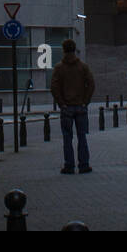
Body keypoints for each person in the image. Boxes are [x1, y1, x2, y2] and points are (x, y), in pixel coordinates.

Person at [50, 39, 95, 174]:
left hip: (66, 108)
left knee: (67, 138)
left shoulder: (59, 68)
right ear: (75, 49)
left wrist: (61, 103)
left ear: (63, 50)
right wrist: (85, 101)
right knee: (82, 137)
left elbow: (54, 87)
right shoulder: (83, 66)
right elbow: (91, 84)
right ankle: (84, 164)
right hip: (80, 107)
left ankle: (69, 165)